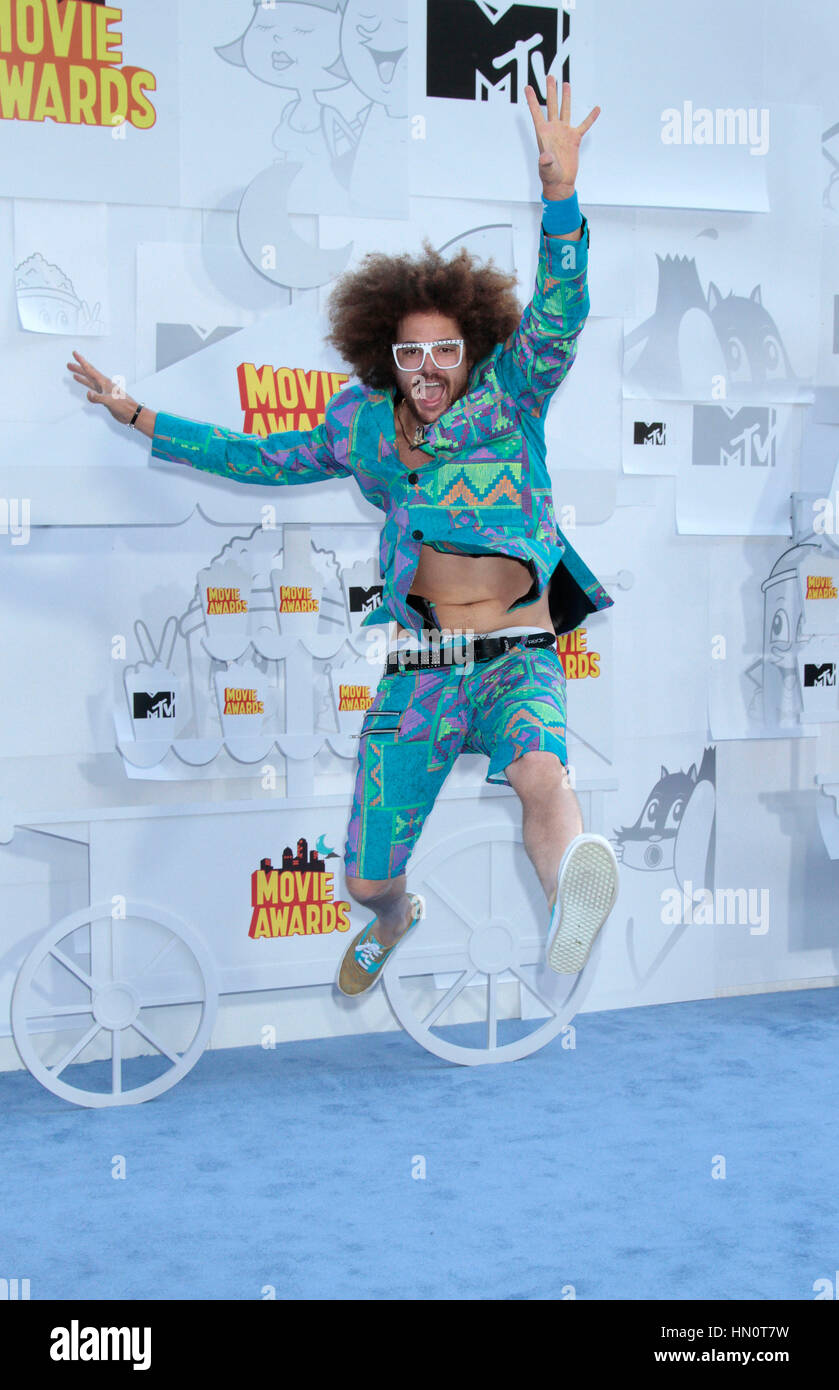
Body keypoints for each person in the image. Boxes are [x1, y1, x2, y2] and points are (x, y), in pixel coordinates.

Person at [67, 78, 620, 1002]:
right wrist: (140, 416)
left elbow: (560, 313)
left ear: (470, 348)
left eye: (445, 350)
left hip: (519, 652)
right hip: (423, 664)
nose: (429, 368)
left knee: (539, 772)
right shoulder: (359, 427)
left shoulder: (512, 395)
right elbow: (257, 458)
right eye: (410, 354)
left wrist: (559, 195)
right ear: (384, 357)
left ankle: (571, 901)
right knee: (364, 875)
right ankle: (396, 916)